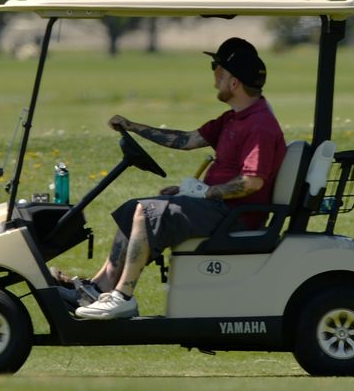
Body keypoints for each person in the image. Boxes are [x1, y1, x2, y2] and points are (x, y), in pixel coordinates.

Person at [70, 37, 287, 320]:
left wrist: (204, 193)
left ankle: (123, 297)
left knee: (147, 211)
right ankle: (100, 287)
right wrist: (133, 127)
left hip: (234, 215)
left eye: (218, 71)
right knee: (134, 207)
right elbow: (186, 140)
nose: (214, 79)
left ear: (234, 83)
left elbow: (252, 182)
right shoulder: (233, 118)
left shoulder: (259, 125)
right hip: (219, 208)